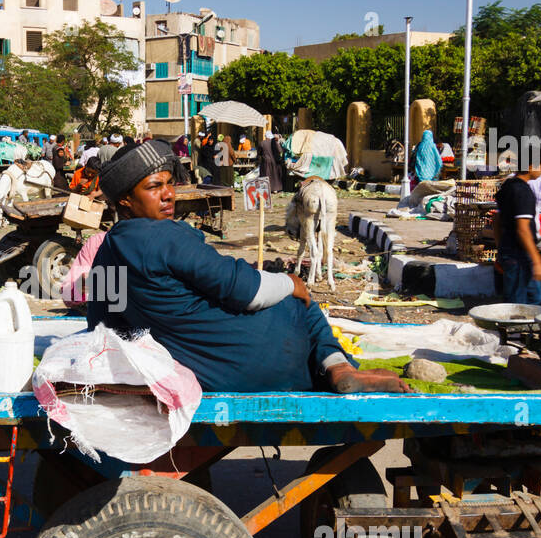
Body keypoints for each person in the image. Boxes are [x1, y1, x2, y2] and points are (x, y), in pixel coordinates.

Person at [83, 141, 409, 394]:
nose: (168, 195)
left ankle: (337, 368)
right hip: (257, 360)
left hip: (200, 374)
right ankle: (337, 366)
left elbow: (103, 328)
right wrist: (291, 282)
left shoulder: (106, 253)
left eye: (169, 183)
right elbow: (244, 289)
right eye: (154, 187)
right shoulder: (165, 236)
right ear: (126, 199)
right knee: (303, 305)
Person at [494, 162, 541, 305]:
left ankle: (522, 323)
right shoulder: (522, 191)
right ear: (530, 166)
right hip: (518, 254)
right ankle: (514, 325)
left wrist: (500, 250)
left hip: (509, 249)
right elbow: (523, 230)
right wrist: (537, 261)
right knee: (518, 302)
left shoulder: (508, 186)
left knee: (534, 296)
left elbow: (497, 221)